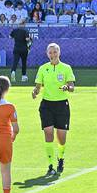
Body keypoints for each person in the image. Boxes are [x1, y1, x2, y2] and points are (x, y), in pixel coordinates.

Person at [31, 42, 75, 177]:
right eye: (50, 52)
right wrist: (35, 91)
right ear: (47, 54)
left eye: (55, 52)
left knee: (61, 137)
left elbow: (72, 86)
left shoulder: (66, 68)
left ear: (59, 53)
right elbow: (38, 86)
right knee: (48, 133)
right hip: (46, 105)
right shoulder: (43, 68)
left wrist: (67, 87)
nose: (52, 54)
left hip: (62, 105)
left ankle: (60, 158)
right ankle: (50, 165)